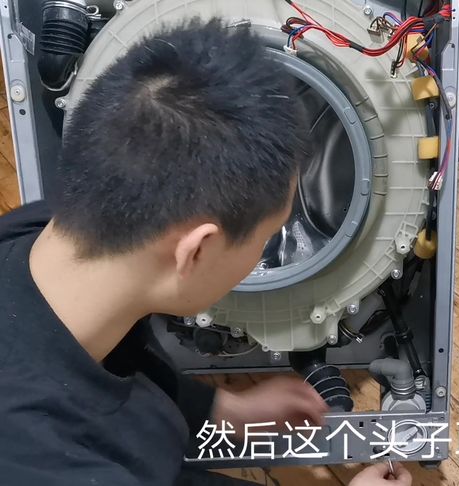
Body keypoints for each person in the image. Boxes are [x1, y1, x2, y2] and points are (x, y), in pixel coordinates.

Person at [0, 18, 411, 486]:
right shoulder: (48, 463)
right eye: (267, 236)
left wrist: (224, 409)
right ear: (196, 251)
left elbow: (129, 367)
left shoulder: (48, 234)